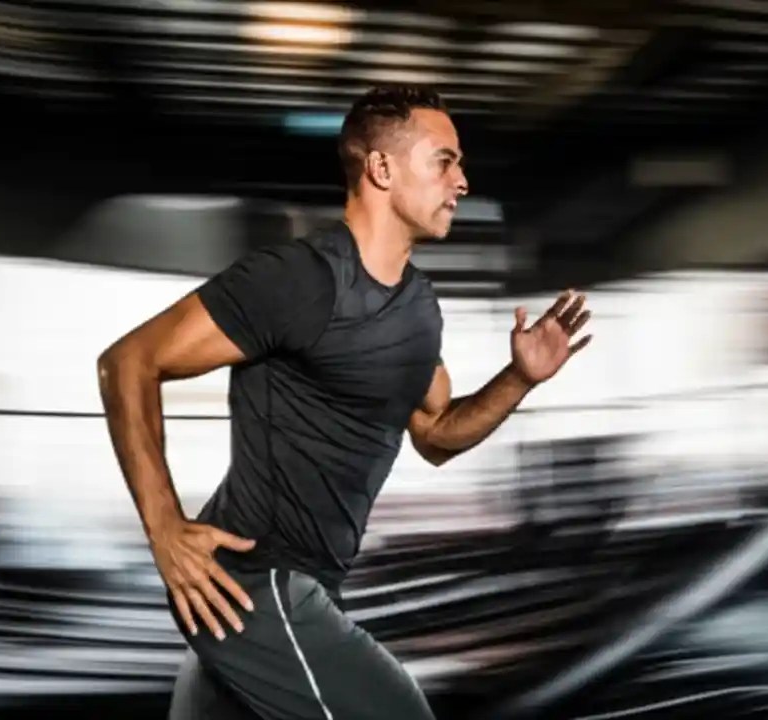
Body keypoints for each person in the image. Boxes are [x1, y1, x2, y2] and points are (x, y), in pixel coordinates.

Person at [96, 84, 593, 720]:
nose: (462, 181)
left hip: (294, 594)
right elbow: (129, 361)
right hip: (253, 584)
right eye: (445, 160)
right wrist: (164, 528)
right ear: (381, 169)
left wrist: (519, 379)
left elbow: (437, 433)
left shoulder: (419, 310)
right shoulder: (297, 280)